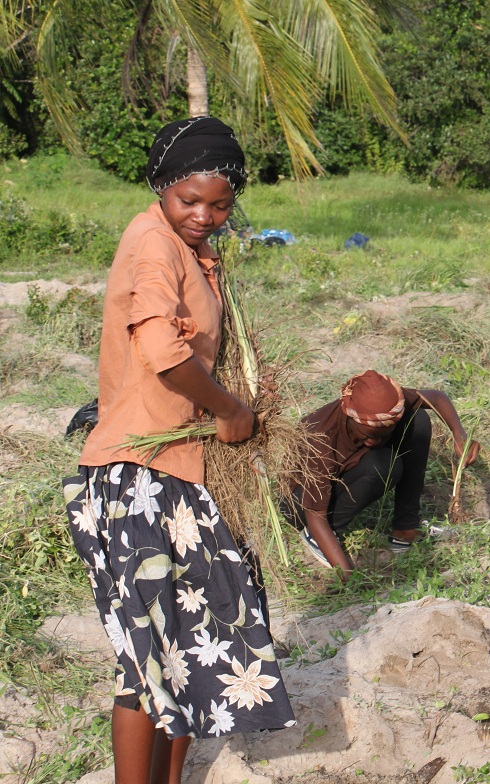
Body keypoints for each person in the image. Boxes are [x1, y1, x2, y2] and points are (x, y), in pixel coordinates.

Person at [63, 116, 295, 784]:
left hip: (178, 472)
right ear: (160, 187)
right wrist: (231, 409)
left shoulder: (192, 249)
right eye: (189, 201)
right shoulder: (152, 244)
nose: (204, 215)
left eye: (220, 204)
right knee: (145, 659)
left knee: (188, 648)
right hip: (138, 476)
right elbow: (164, 353)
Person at [287, 370, 480, 582]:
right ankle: (321, 536)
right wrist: (350, 577)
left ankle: (406, 530)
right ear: (348, 415)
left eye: (383, 435)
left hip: (341, 480)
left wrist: (459, 434)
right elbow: (315, 514)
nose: (374, 442)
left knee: (417, 420)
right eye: (366, 436)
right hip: (302, 505)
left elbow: (436, 397)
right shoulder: (319, 436)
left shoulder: (387, 408)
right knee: (384, 465)